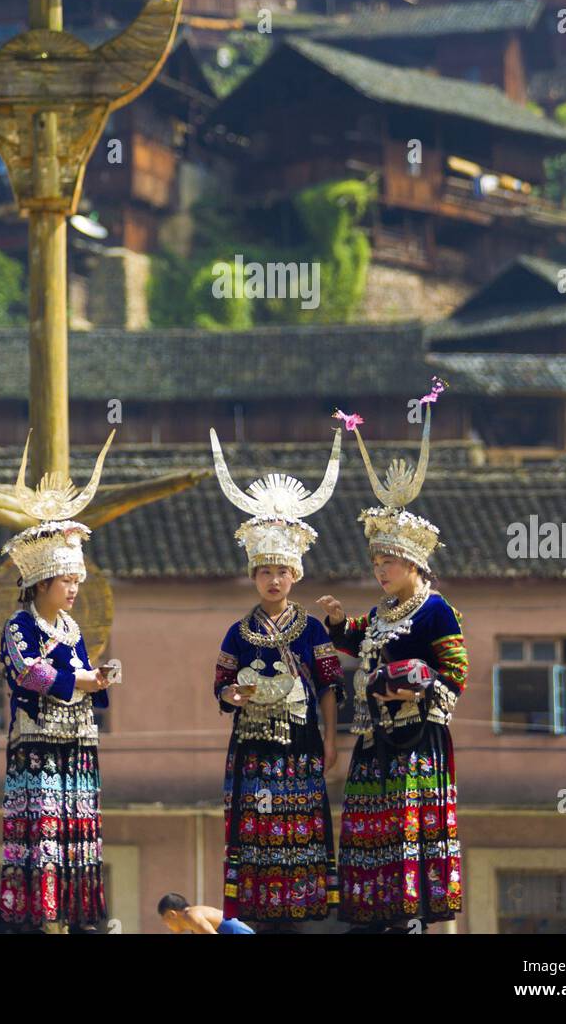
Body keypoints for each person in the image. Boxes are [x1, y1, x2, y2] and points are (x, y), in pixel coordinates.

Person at [321, 390, 468, 934]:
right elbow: (362, 640)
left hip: (414, 743)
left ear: (413, 563)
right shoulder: (382, 612)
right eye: (376, 562)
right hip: (373, 741)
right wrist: (338, 625)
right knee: (370, 837)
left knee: (404, 839)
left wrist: (412, 682)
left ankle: (406, 921)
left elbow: (456, 673)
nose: (380, 571)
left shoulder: (435, 613)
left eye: (389, 562)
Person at [210, 426, 345, 932]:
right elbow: (220, 689)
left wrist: (331, 739)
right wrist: (231, 693)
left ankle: (301, 912)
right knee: (256, 828)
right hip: (252, 744)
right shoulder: (237, 631)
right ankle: (257, 914)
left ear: (296, 576)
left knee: (300, 826)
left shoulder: (311, 629)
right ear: (253, 576)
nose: (273, 579)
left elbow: (330, 686)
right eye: (264, 570)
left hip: (300, 740)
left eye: (281, 571)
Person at [0, 432, 117, 934]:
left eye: (76, 582)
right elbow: (31, 673)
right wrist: (84, 680)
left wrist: (101, 679)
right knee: (42, 828)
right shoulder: (18, 627)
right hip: (39, 744)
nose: (72, 590)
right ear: (43, 582)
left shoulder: (73, 630)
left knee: (78, 826)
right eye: (67, 582)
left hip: (77, 741)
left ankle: (79, 915)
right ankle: (38, 916)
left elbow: (85, 675)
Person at [157, 893, 255, 934]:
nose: (168, 927)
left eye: (166, 922)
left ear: (172, 914)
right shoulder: (193, 920)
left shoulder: (191, 916)